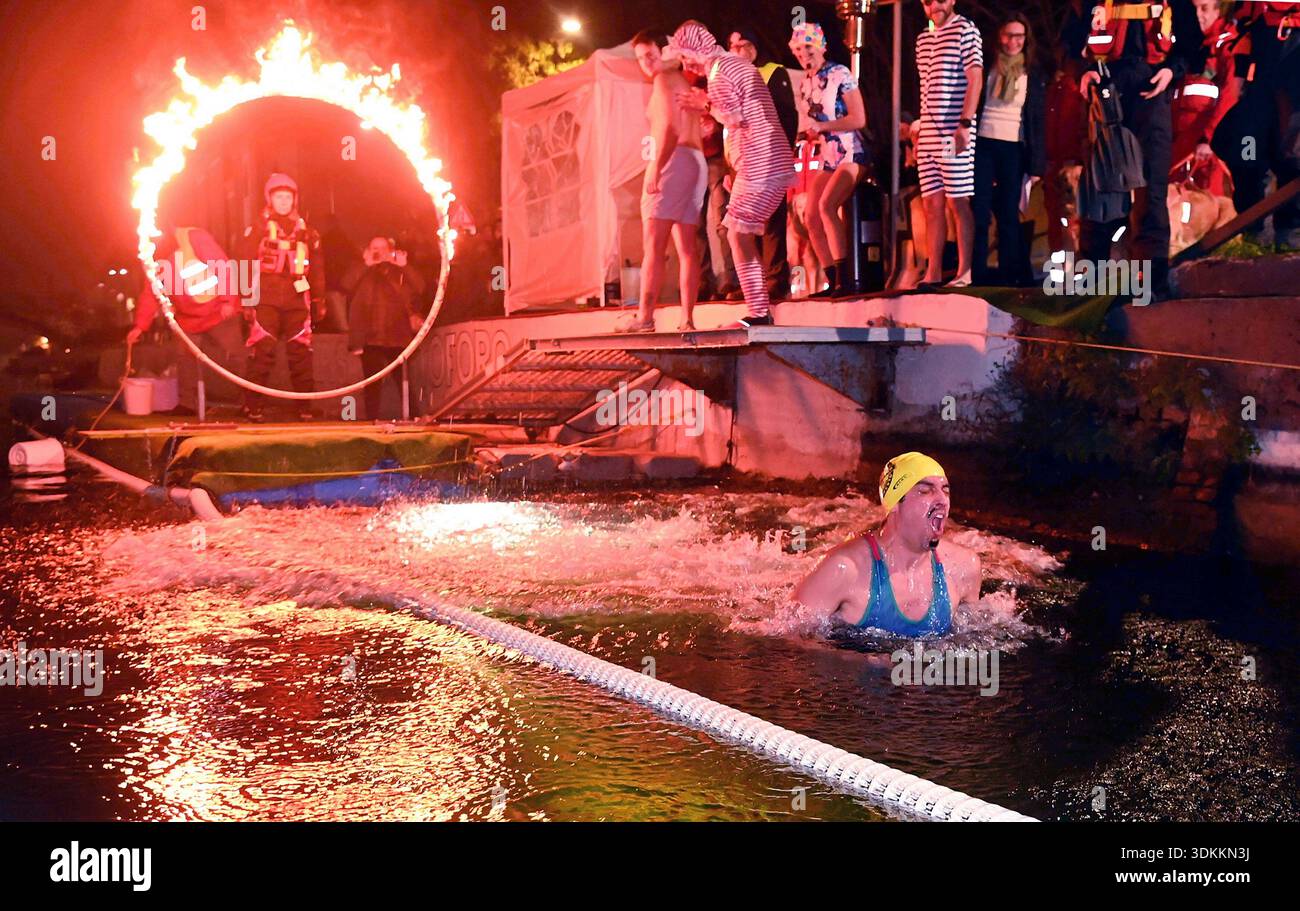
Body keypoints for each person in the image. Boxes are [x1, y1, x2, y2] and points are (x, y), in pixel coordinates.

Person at [671, 20, 794, 328]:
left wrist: (705, 104)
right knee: (740, 232)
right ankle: (758, 309)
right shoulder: (728, 65)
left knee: (738, 233)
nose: (687, 66)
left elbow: (734, 117)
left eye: (686, 58)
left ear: (696, 50)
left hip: (762, 160)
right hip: (760, 160)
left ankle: (758, 312)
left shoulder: (719, 71)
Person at [1080, 0, 1201, 295]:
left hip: (1152, 91)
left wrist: (1172, 71)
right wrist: (1084, 72)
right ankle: (1091, 284)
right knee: (1102, 190)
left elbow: (1192, 45)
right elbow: (1072, 42)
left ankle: (1152, 283)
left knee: (1152, 191)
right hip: (1108, 93)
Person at [793, 452, 981, 637]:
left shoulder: (963, 567)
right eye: (925, 490)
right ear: (895, 504)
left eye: (945, 490)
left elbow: (972, 637)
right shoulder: (843, 569)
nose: (942, 500)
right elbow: (791, 643)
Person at [617, 30, 707, 333]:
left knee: (653, 244)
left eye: (651, 55)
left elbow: (669, 127)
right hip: (695, 162)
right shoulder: (680, 80)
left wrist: (656, 167)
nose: (646, 63)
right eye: (641, 58)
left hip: (674, 160)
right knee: (686, 247)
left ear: (664, 51)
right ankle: (687, 319)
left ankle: (644, 317)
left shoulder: (664, 80)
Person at [127, 226, 245, 415]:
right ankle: (188, 404)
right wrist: (140, 326)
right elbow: (151, 293)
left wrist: (228, 300)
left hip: (218, 311)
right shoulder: (153, 257)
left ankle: (249, 401)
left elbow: (221, 265)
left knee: (236, 356)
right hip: (189, 318)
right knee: (185, 359)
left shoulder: (193, 237)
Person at [1210, 1, 1300, 250]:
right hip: (1260, 90)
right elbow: (1241, 38)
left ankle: (1290, 236)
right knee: (1245, 152)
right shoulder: (1252, 8)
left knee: (1293, 159)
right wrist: (1239, 83)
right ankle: (1253, 232)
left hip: (1295, 93)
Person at [789, 21, 868, 298]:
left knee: (826, 206)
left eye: (808, 46)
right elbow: (815, 121)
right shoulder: (805, 82)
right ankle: (832, 278)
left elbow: (858, 118)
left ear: (820, 46)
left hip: (851, 152)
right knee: (810, 216)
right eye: (798, 48)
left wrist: (822, 128)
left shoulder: (839, 72)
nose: (803, 53)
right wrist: (808, 134)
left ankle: (848, 279)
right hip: (828, 155)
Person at [240, 173, 324, 422]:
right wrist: (246, 299)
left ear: (294, 200)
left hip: (298, 299)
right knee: (262, 351)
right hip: (265, 297)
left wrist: (319, 300)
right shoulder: (256, 229)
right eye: (279, 197)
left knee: (301, 351)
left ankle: (304, 406)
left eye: (288, 197)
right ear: (270, 199)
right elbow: (244, 264)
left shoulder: (308, 232)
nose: (284, 201)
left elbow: (318, 267)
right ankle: (253, 405)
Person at [914, 0, 984, 289]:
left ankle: (964, 271)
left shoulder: (966, 30)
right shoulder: (922, 39)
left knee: (958, 201)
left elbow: (975, 78)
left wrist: (965, 123)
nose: (935, 5)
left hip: (953, 129)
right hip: (928, 132)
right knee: (931, 202)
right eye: (928, 1)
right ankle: (933, 271)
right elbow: (926, 86)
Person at [972, 14, 1046, 286]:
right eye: (1008, 35)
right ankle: (976, 273)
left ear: (1026, 40)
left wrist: (1037, 165)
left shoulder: (1032, 73)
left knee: (1008, 215)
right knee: (979, 212)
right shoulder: (987, 67)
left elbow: (1037, 121)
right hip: (983, 145)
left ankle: (1008, 276)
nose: (1013, 42)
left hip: (1013, 148)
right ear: (998, 37)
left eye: (1018, 36)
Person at [729, 27, 799, 301]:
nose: (738, 51)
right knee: (744, 226)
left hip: (769, 159)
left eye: (744, 44)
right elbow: (730, 129)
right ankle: (754, 284)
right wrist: (728, 168)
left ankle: (777, 280)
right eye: (732, 47)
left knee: (771, 221)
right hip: (742, 164)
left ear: (756, 47)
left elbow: (787, 118)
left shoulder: (771, 72)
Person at [345, 236, 425, 420]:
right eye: (374, 247)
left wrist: (404, 266)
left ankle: (414, 417)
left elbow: (420, 287)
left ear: (391, 250)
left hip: (397, 336)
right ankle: (371, 420)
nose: (379, 252)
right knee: (372, 384)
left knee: (403, 381)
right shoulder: (363, 270)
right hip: (371, 338)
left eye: (382, 248)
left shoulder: (400, 272)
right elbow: (345, 284)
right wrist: (366, 264)